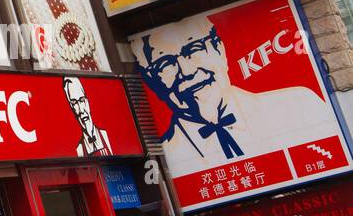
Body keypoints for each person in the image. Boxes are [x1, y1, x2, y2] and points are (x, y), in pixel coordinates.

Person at [133, 19, 328, 167]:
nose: (187, 71)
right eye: (165, 64)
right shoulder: (165, 156)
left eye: (194, 48)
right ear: (152, 83)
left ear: (220, 50)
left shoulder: (299, 103)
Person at [63, 76, 112, 157]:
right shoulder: (79, 149)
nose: (81, 110)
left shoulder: (106, 135)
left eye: (82, 100)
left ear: (88, 101)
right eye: (74, 103)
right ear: (71, 107)